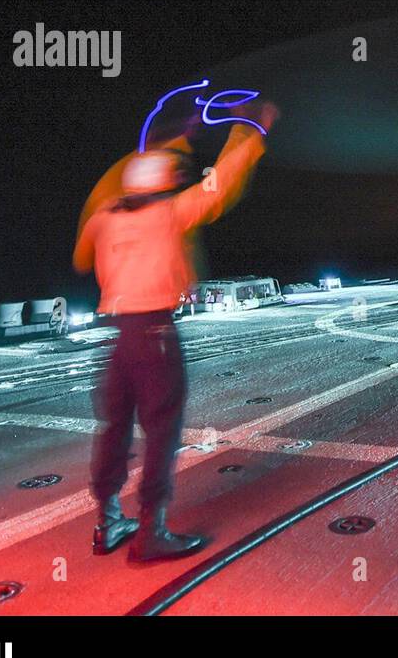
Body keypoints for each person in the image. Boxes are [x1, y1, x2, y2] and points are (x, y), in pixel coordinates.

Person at [73, 100, 278, 561]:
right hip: (155, 337)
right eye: (172, 174)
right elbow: (219, 187)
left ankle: (107, 523)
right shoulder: (168, 214)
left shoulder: (105, 219)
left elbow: (81, 256)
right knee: (162, 430)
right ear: (161, 184)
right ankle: (151, 533)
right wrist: (248, 133)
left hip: (116, 338)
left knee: (114, 427)